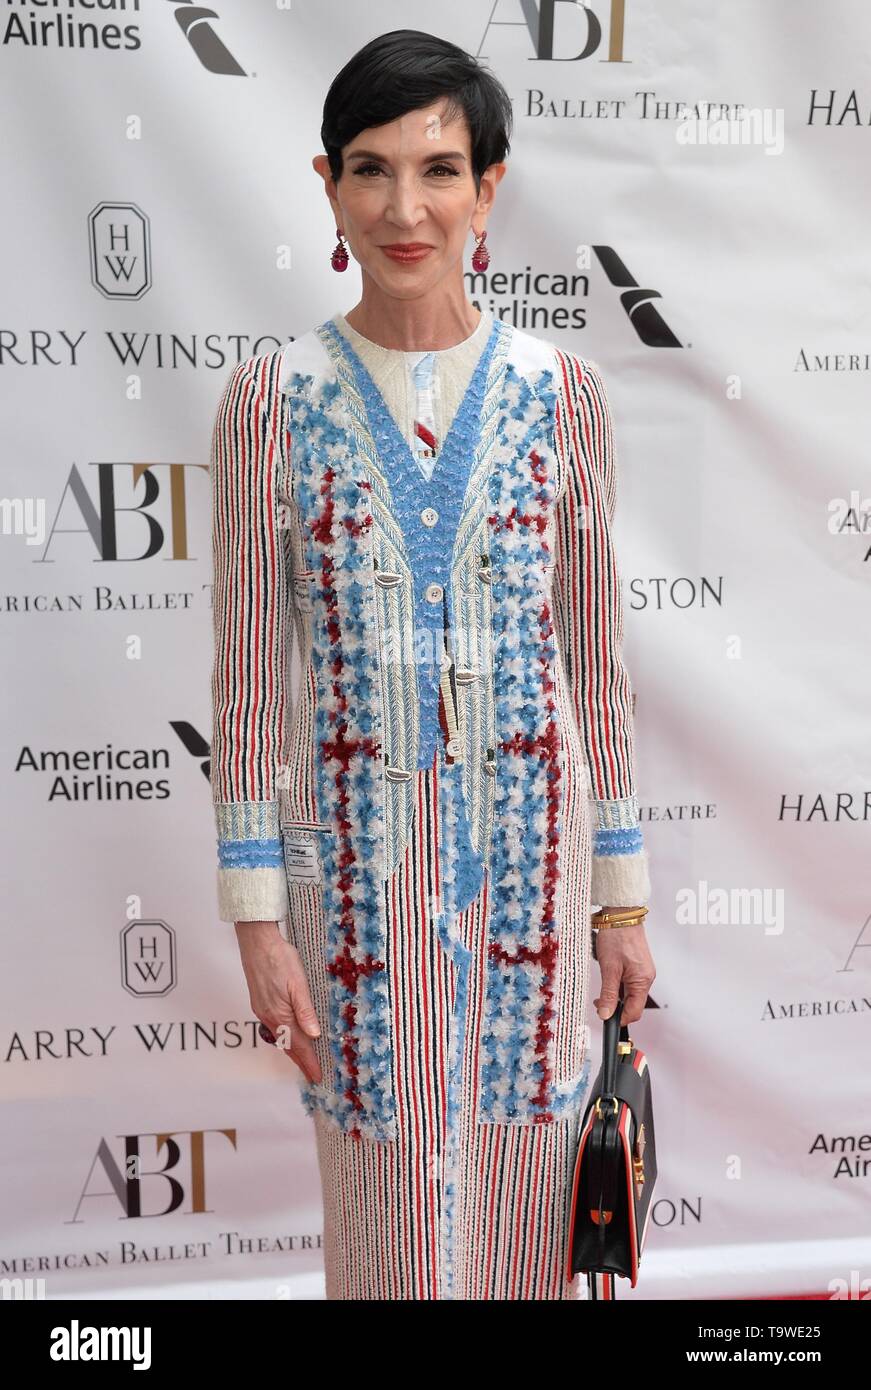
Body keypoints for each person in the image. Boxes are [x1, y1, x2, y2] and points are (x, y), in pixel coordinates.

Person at [209, 28, 656, 1301]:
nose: (405, 207)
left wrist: (618, 900)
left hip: (536, 877)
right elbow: (248, 683)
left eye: (439, 169)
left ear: (489, 187)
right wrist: (256, 918)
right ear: (328, 186)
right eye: (370, 169)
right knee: (387, 1221)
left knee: (526, 1195)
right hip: (354, 887)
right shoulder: (270, 400)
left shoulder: (562, 391)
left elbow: (599, 669)